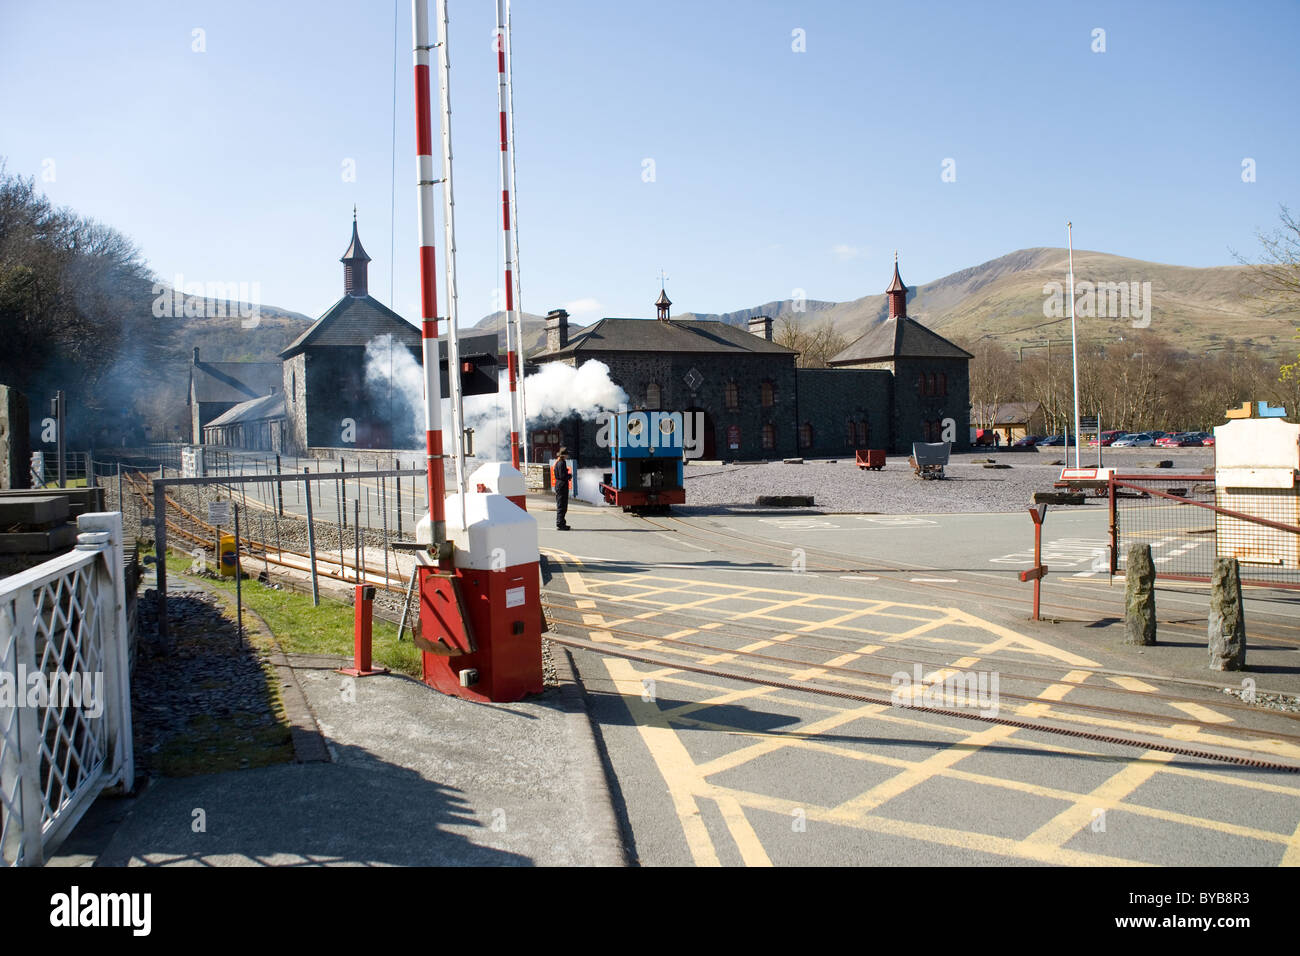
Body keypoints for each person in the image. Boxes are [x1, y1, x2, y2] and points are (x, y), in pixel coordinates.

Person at [551, 447, 571, 530]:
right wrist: (569, 476)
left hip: (559, 484)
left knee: (561, 505)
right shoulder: (562, 463)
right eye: (567, 454)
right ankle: (560, 523)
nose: (568, 456)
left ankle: (562, 522)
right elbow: (563, 476)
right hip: (562, 485)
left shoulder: (558, 462)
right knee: (562, 505)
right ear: (564, 455)